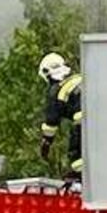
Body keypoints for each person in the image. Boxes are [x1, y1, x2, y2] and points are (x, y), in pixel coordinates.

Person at [37, 52, 84, 180]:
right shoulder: (79, 78)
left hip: (85, 123)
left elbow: (51, 123)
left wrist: (46, 142)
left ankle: (82, 178)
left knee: (77, 156)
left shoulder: (56, 90)